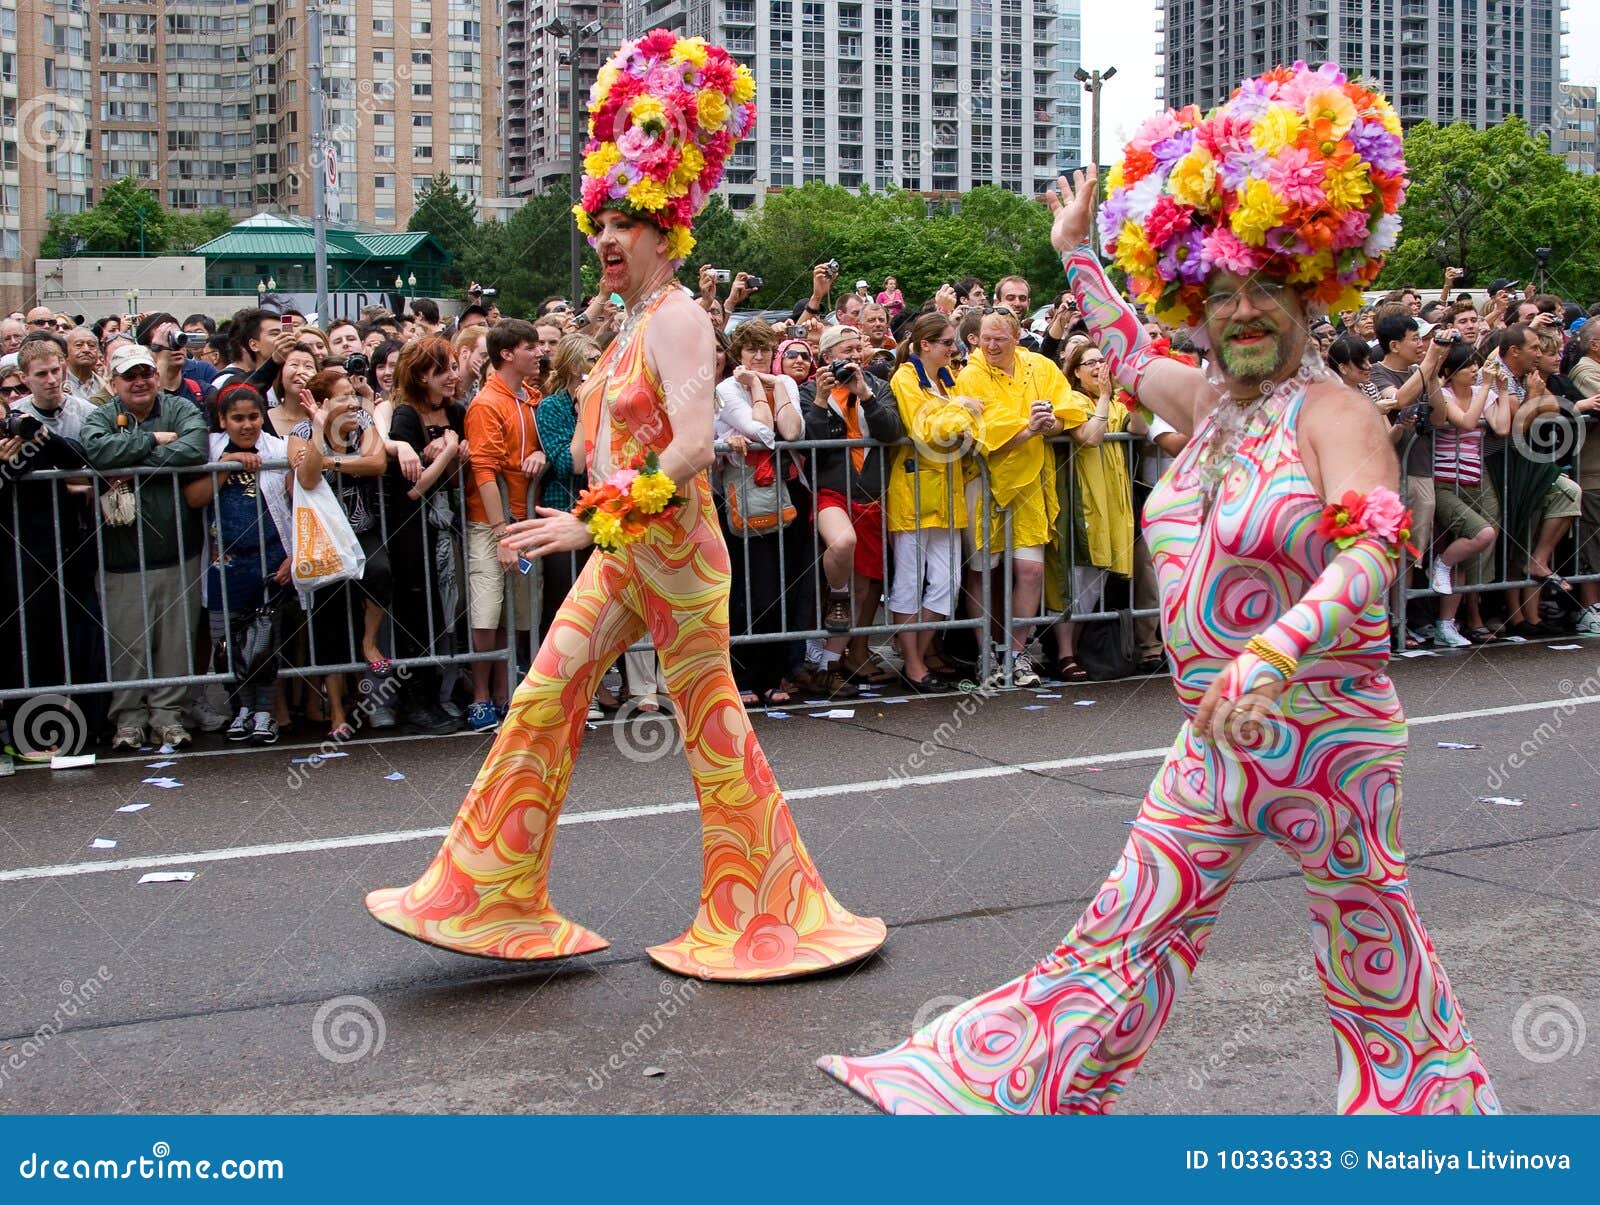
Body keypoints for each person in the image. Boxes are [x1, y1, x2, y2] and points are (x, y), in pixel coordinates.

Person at [821, 63, 1498, 1115]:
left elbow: (1371, 553)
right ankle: (1014, 1092)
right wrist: (1077, 254)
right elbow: (1129, 351)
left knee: (1372, 950)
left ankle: (1427, 1135)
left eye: (1261, 289)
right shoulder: (1209, 401)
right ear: (1193, 293)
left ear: (1311, 287)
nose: (1238, 312)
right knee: (1128, 920)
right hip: (1216, 734)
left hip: (1326, 732)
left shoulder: (1335, 414)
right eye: (1218, 291)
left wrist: (1271, 654)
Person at [364, 28, 884, 981]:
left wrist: (586, 518)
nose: (606, 237)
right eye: (599, 221)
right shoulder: (629, 323)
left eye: (627, 223)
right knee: (543, 696)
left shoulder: (681, 316)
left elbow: (692, 447)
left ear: (665, 231)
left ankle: (771, 915)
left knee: (712, 731)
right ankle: (485, 892)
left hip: (674, 561)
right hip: (624, 554)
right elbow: (607, 440)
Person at [80, 345, 210, 750]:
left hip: (178, 551)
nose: (139, 382)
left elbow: (195, 447)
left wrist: (134, 465)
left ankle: (170, 719)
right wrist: (153, 440)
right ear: (114, 381)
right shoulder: (99, 414)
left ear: (156, 375)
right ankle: (129, 722)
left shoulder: (181, 408)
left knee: (176, 644)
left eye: (146, 374)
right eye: (129, 376)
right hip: (121, 558)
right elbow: (97, 450)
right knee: (127, 646)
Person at [954, 307, 1083, 687]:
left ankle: (1017, 654)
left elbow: (1070, 405)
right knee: (983, 571)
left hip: (1030, 483)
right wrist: (1028, 431)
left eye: (1000, 339)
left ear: (1016, 338)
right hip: (984, 480)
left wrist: (1050, 424)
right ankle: (985, 657)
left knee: (1031, 570)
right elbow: (981, 430)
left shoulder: (1039, 366)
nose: (991, 346)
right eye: (986, 338)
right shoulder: (970, 374)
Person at [182, 384, 293, 744]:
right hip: (222, 566)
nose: (247, 425)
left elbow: (299, 504)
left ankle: (263, 712)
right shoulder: (211, 449)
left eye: (253, 417)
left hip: (271, 561)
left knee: (262, 644)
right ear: (222, 420)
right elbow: (195, 498)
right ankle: (240, 709)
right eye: (237, 418)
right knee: (226, 643)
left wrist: (294, 555)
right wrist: (227, 466)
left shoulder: (277, 449)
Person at [801, 322, 905, 693]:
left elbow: (892, 431)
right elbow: (810, 444)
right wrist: (818, 402)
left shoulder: (877, 386)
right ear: (827, 357)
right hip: (832, 491)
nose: (853, 358)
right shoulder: (812, 389)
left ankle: (829, 665)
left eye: (857, 350)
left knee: (867, 588)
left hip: (873, 494)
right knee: (842, 544)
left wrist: (867, 395)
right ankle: (837, 594)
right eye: (845, 352)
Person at [287, 368, 391, 736]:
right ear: (323, 401)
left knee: (379, 571)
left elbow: (376, 462)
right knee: (330, 619)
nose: (353, 402)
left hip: (361, 528)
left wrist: (334, 459)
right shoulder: (300, 434)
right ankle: (336, 714)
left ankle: (368, 641)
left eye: (353, 394)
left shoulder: (362, 423)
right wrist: (320, 429)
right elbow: (308, 477)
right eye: (344, 396)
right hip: (326, 536)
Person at [885, 311, 977, 690]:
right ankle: (913, 664)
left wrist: (960, 415)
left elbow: (965, 427)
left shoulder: (948, 380)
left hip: (948, 491)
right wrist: (962, 411)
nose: (953, 348)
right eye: (947, 342)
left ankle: (918, 657)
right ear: (925, 344)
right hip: (914, 491)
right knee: (909, 582)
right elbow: (924, 429)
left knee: (947, 582)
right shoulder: (906, 377)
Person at [462, 318, 545, 731]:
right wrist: (501, 535)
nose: (539, 352)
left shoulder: (531, 397)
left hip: (526, 521)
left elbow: (541, 449)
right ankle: (480, 697)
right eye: (530, 346)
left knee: (524, 611)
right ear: (507, 353)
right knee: (487, 610)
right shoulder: (485, 404)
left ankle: (510, 693)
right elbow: (483, 471)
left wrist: (543, 457)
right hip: (491, 524)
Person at [381, 336, 464, 733]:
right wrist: (448, 449)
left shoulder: (457, 411)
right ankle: (416, 699)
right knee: (416, 612)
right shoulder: (406, 417)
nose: (452, 376)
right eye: (442, 370)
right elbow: (413, 489)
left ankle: (442, 692)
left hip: (447, 525)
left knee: (446, 609)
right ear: (420, 376)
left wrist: (455, 454)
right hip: (410, 527)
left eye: (453, 367)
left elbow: (456, 476)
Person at [1045, 339, 1134, 680]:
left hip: (1110, 501)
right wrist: (1107, 397)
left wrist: (1133, 400)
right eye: (1091, 363)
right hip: (1079, 501)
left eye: (1102, 361)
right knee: (1072, 578)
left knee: (1093, 583)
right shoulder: (1074, 401)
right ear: (1077, 372)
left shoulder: (1113, 402)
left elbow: (1137, 429)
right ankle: (1063, 653)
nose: (1100, 367)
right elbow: (1092, 436)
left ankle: (1072, 651)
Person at [1429, 341, 1501, 648]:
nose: (1475, 369)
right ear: (1449, 372)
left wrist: (1502, 390)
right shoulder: (1443, 396)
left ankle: (1446, 625)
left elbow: (1502, 425)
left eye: (1477, 363)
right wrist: (1485, 387)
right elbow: (1468, 421)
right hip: (1445, 484)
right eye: (1468, 365)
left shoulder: (1481, 392)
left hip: (1473, 482)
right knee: (1481, 535)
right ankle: (1440, 564)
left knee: (1464, 558)